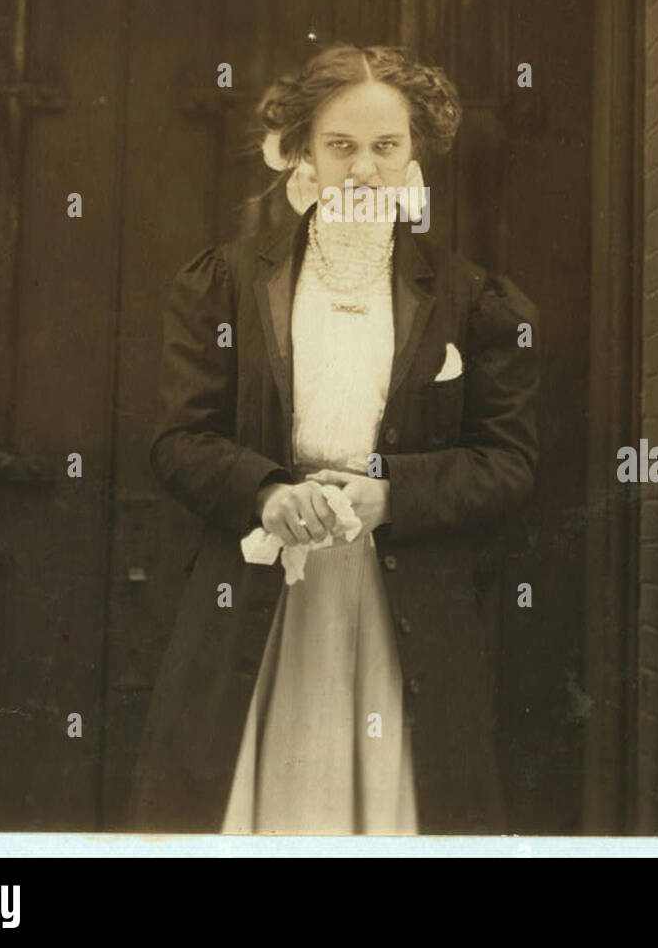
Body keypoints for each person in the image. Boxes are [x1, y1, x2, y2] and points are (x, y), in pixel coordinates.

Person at [127, 43, 540, 834]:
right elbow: (179, 438)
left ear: (415, 154)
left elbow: (510, 463)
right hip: (260, 597)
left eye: (386, 147)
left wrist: (396, 496)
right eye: (340, 146)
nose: (363, 170)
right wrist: (268, 492)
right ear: (303, 156)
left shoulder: (472, 300)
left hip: (402, 603)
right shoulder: (227, 283)